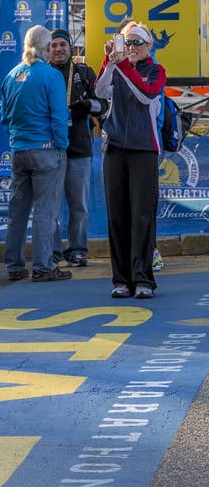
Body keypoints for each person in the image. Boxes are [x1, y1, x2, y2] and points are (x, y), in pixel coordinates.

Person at [95, 18, 167, 299]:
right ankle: (121, 279)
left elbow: (146, 95)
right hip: (115, 148)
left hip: (143, 150)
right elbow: (100, 92)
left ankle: (144, 279)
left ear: (149, 46)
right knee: (118, 215)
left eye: (137, 42)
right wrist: (109, 60)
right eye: (127, 41)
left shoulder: (156, 71)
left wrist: (122, 65)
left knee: (142, 215)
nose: (132, 47)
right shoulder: (118, 69)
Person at [1, 24, 71, 282]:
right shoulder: (51, 76)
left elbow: (5, 117)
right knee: (45, 211)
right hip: (45, 151)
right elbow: (59, 118)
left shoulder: (11, 75)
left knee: (17, 211)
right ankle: (43, 266)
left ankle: (15, 266)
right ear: (46, 48)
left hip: (20, 151)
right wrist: (60, 146)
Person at [49, 28, 109, 267]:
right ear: (47, 49)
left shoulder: (84, 72)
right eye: (53, 45)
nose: (58, 49)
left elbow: (104, 104)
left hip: (79, 147)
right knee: (50, 206)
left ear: (70, 48)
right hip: (50, 149)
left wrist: (88, 106)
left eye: (62, 44)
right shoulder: (41, 72)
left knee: (79, 205)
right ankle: (52, 251)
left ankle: (77, 251)